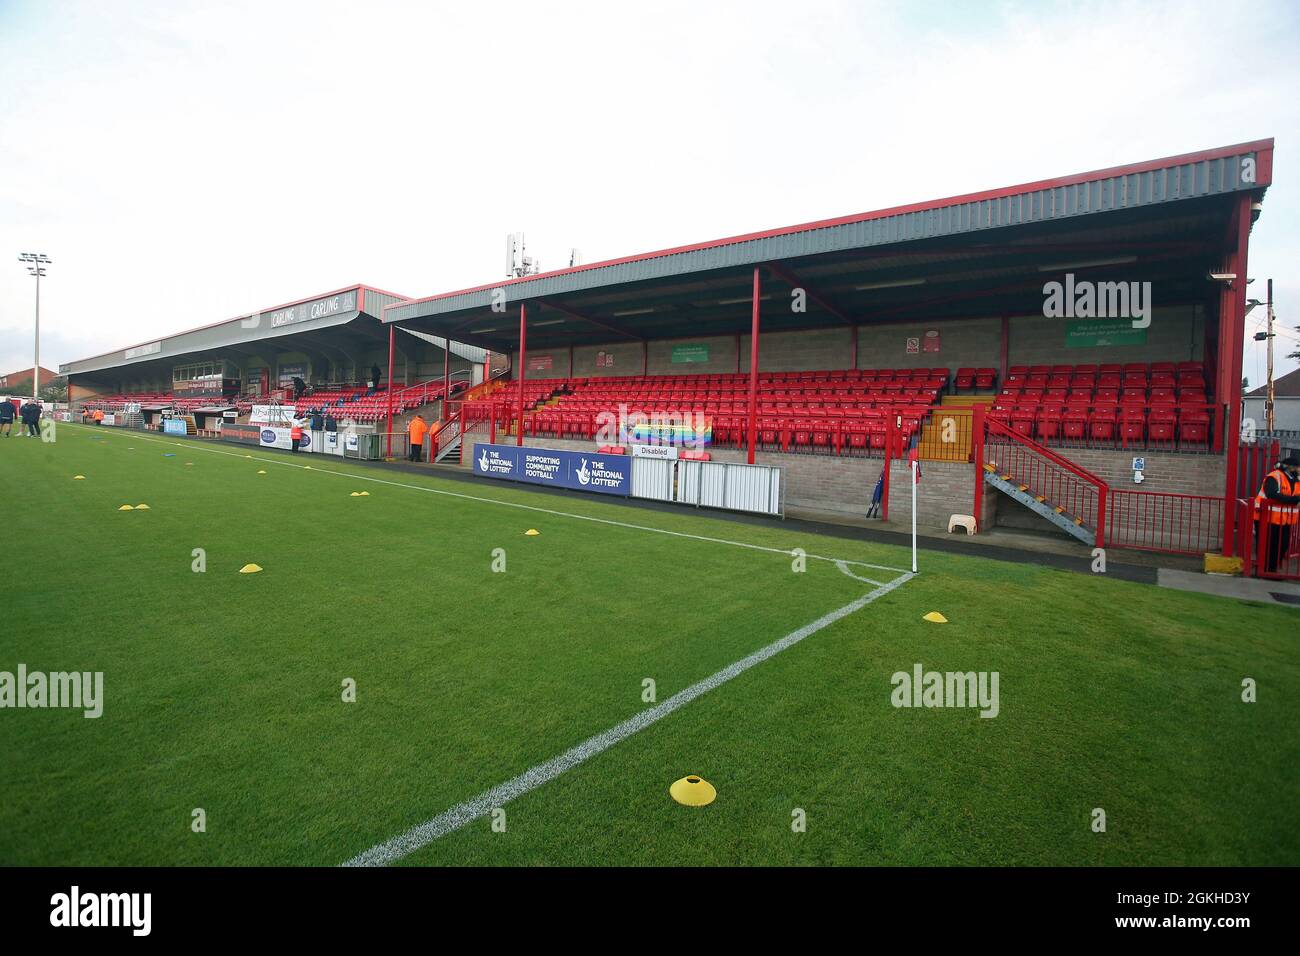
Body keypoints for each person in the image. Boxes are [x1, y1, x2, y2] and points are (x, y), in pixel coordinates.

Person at [1254, 455, 1300, 573]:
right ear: (1291, 467)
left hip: (1285, 519)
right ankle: (1265, 569)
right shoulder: (1275, 476)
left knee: (1282, 545)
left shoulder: (1296, 480)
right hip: (1266, 516)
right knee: (1267, 545)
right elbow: (1272, 494)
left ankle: (1271, 569)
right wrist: (1295, 500)